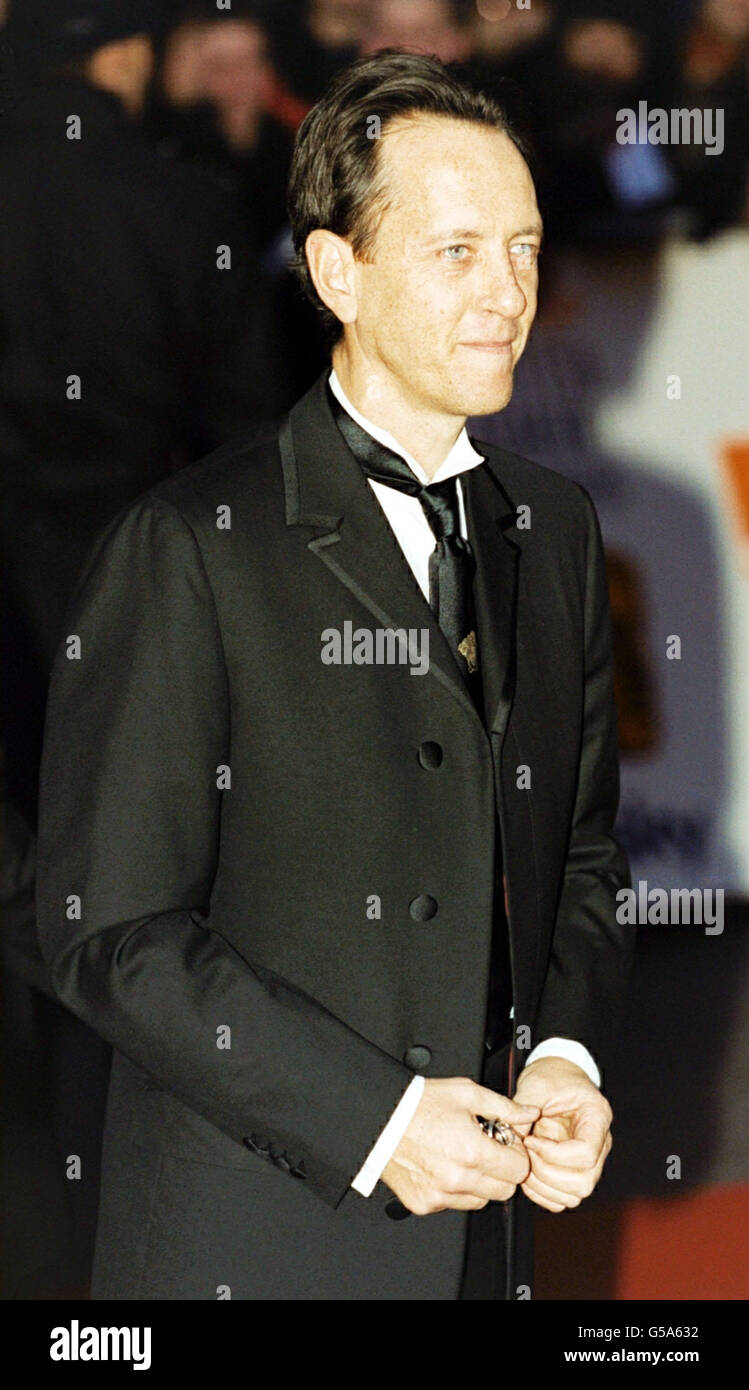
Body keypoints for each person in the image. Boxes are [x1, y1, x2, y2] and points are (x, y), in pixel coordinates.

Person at [36, 50, 635, 1301]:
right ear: (335, 272)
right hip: (247, 1244)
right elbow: (108, 928)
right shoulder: (190, 547)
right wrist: (377, 1119)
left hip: (481, 1247)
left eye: (522, 248)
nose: (507, 293)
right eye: (457, 251)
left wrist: (562, 1056)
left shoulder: (557, 529)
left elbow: (576, 854)